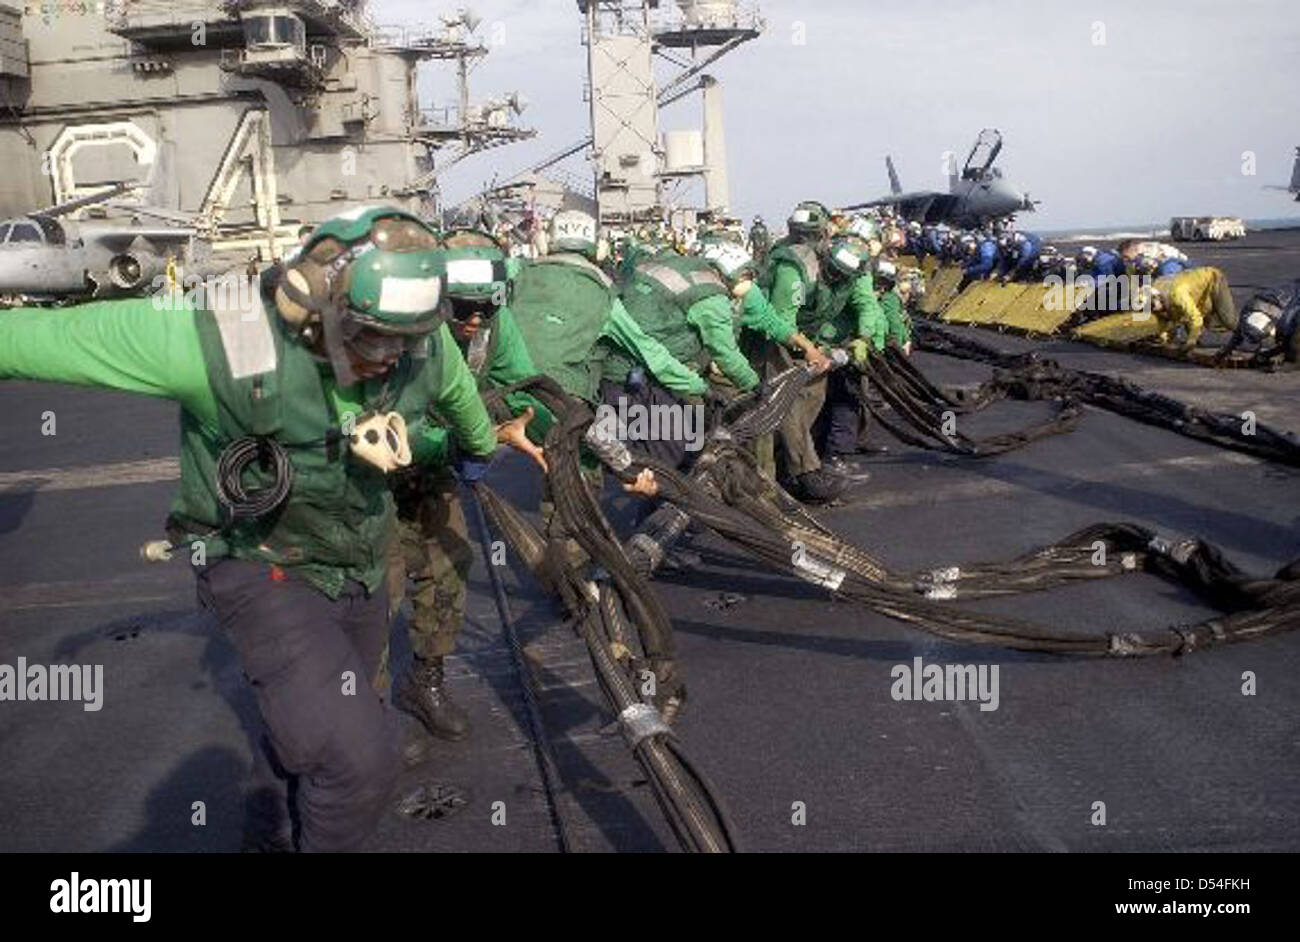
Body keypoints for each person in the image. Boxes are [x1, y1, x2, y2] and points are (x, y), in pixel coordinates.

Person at [0, 206, 521, 852]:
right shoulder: (215, 342)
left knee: (300, 740)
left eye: (405, 341)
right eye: (371, 339)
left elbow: (459, 400)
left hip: (357, 563)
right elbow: (26, 342)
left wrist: (473, 448)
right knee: (360, 757)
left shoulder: (419, 334)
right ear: (311, 307)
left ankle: (265, 837)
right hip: (261, 561)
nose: (392, 358)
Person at [385, 229, 550, 743]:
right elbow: (385, 429)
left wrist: (575, 445)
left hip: (436, 464)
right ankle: (361, 708)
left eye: (486, 308)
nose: (475, 320)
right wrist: (460, 445)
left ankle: (424, 679)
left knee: (448, 565)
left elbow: (526, 386)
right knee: (375, 590)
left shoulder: (491, 328)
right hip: (370, 475)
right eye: (463, 309)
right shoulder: (396, 333)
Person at [1145, 266, 1238, 346]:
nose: (1154, 310)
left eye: (1153, 306)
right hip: (1197, 291)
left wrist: (1191, 341)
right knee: (1187, 317)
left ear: (1157, 297)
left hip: (1214, 279)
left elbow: (1195, 317)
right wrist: (1163, 338)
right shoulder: (1155, 293)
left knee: (1228, 320)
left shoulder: (1177, 294)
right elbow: (1168, 319)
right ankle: (1196, 341)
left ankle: (1245, 334)